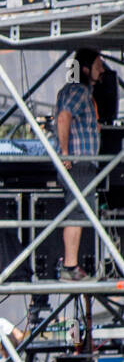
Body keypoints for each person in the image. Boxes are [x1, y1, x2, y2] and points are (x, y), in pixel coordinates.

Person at [56, 48, 107, 282]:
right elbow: (63, 117)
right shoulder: (78, 91)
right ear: (85, 69)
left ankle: (71, 265)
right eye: (98, 65)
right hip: (79, 162)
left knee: (80, 211)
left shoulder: (78, 92)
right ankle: (70, 266)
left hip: (81, 162)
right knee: (77, 211)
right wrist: (65, 152)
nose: (102, 70)